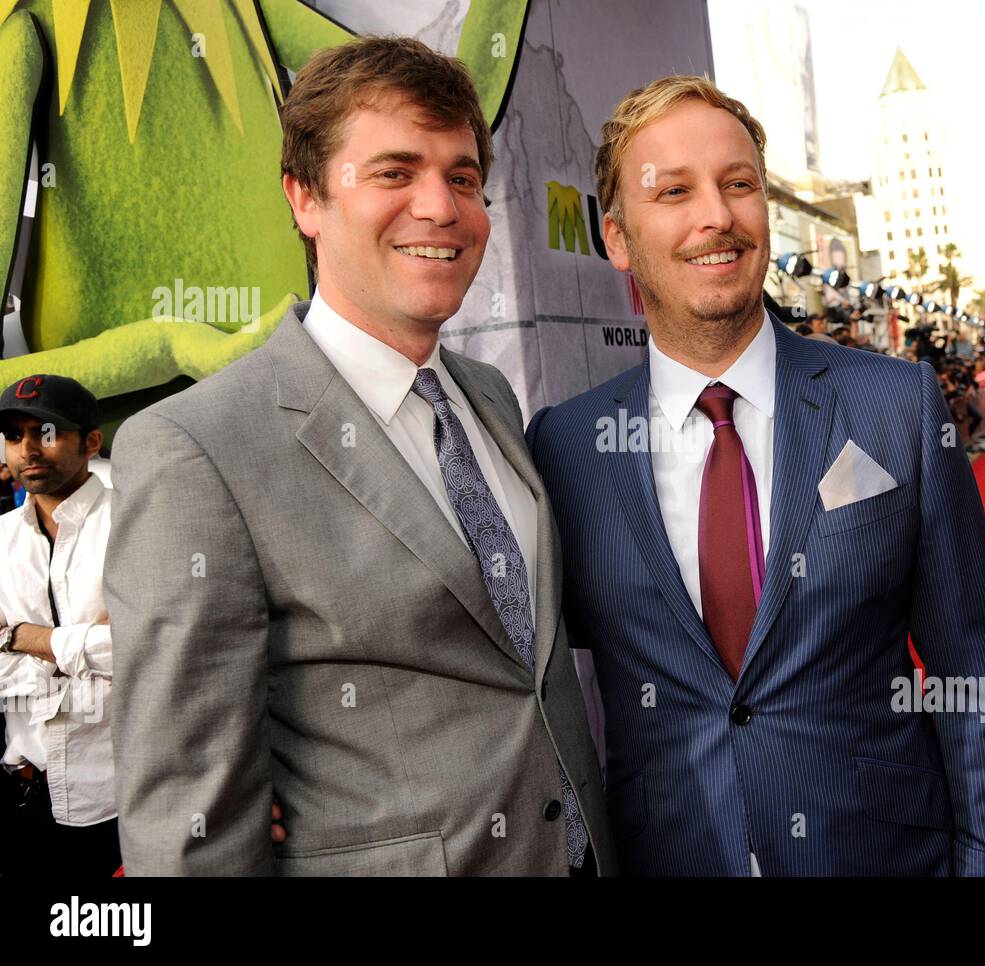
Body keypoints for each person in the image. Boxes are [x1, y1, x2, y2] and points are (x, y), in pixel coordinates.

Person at [104, 37, 612, 876]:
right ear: (304, 197)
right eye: (393, 172)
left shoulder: (489, 395)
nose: (441, 206)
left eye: (460, 176)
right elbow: (188, 825)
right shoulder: (195, 450)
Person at [527, 75, 985, 876]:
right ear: (618, 239)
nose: (717, 217)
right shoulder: (564, 449)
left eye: (739, 185)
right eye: (674, 192)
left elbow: (972, 667)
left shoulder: (894, 405)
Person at [0, 375, 118, 876]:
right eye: (13, 435)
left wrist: (19, 637)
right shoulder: (1, 538)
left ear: (90, 442)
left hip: (119, 801)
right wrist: (85, 656)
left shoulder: (135, 519)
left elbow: (152, 647)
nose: (29, 448)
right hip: (24, 793)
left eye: (47, 432)